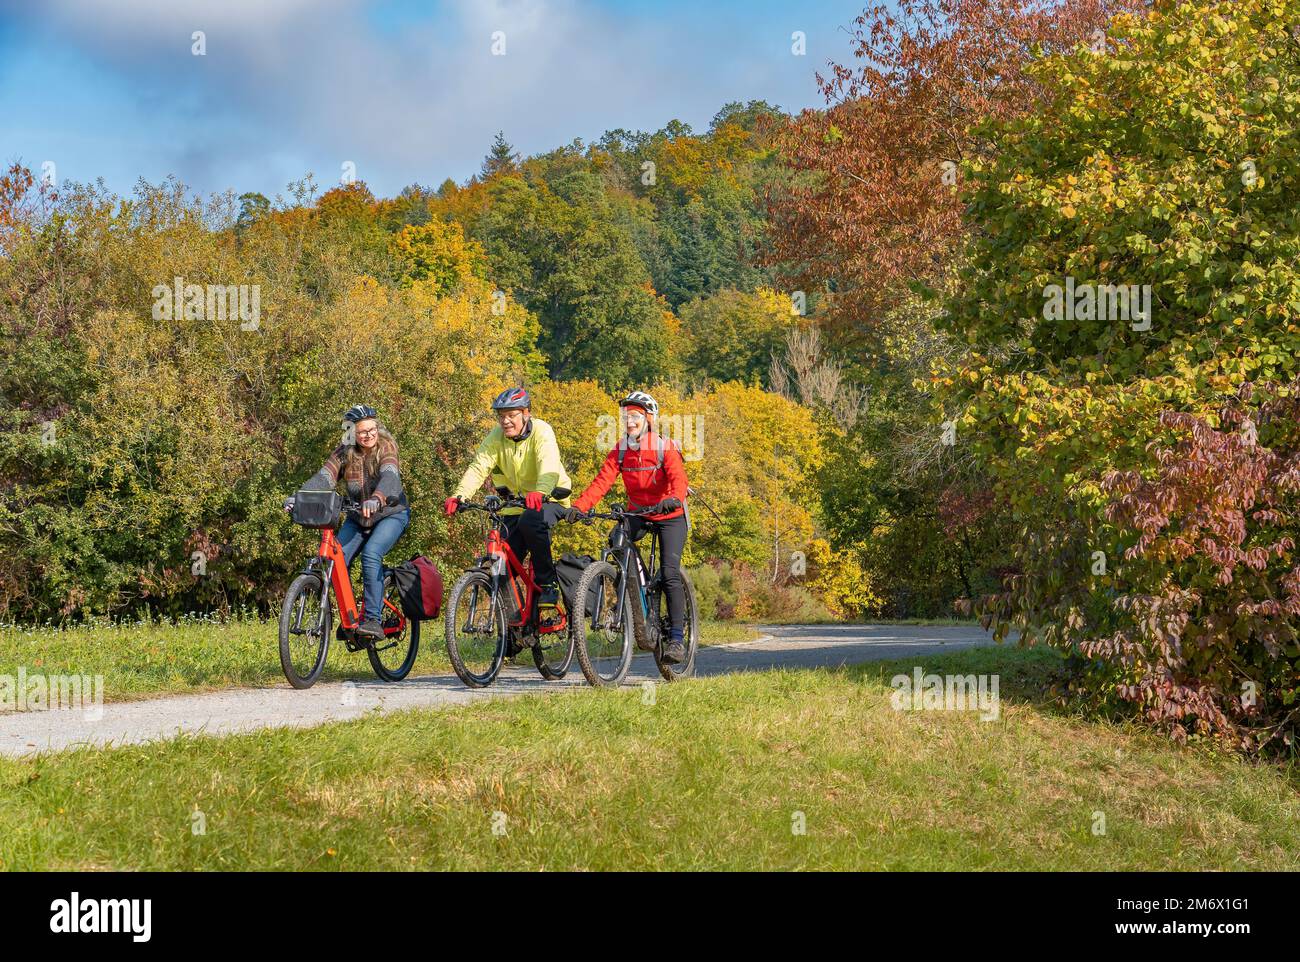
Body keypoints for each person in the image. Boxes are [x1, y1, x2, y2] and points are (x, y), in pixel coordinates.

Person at [567, 390, 690, 663]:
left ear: (648, 420)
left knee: (669, 571)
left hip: (670, 514)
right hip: (640, 513)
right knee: (617, 541)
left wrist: (672, 499)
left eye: (635, 416)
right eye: (626, 417)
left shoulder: (664, 447)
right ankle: (633, 593)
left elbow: (679, 480)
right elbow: (601, 482)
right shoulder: (621, 451)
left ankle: (677, 639)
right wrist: (579, 507)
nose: (629, 421)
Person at [445, 387, 573, 629]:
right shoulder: (496, 437)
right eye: (501, 416)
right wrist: (458, 495)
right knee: (499, 566)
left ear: (526, 413)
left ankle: (548, 585)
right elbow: (478, 467)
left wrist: (540, 491)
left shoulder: (542, 432)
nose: (505, 421)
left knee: (530, 522)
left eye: (511, 415)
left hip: (550, 499)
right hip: (515, 505)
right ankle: (514, 630)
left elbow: (549, 465)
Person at [300, 404, 410, 639]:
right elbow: (324, 478)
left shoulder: (386, 445)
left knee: (371, 554)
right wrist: (299, 497)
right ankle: (350, 616)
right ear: (352, 433)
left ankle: (372, 619)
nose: (369, 435)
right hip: (358, 518)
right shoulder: (344, 452)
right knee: (335, 560)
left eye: (372, 429)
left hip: (390, 514)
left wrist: (377, 499)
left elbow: (391, 476)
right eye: (362, 431)